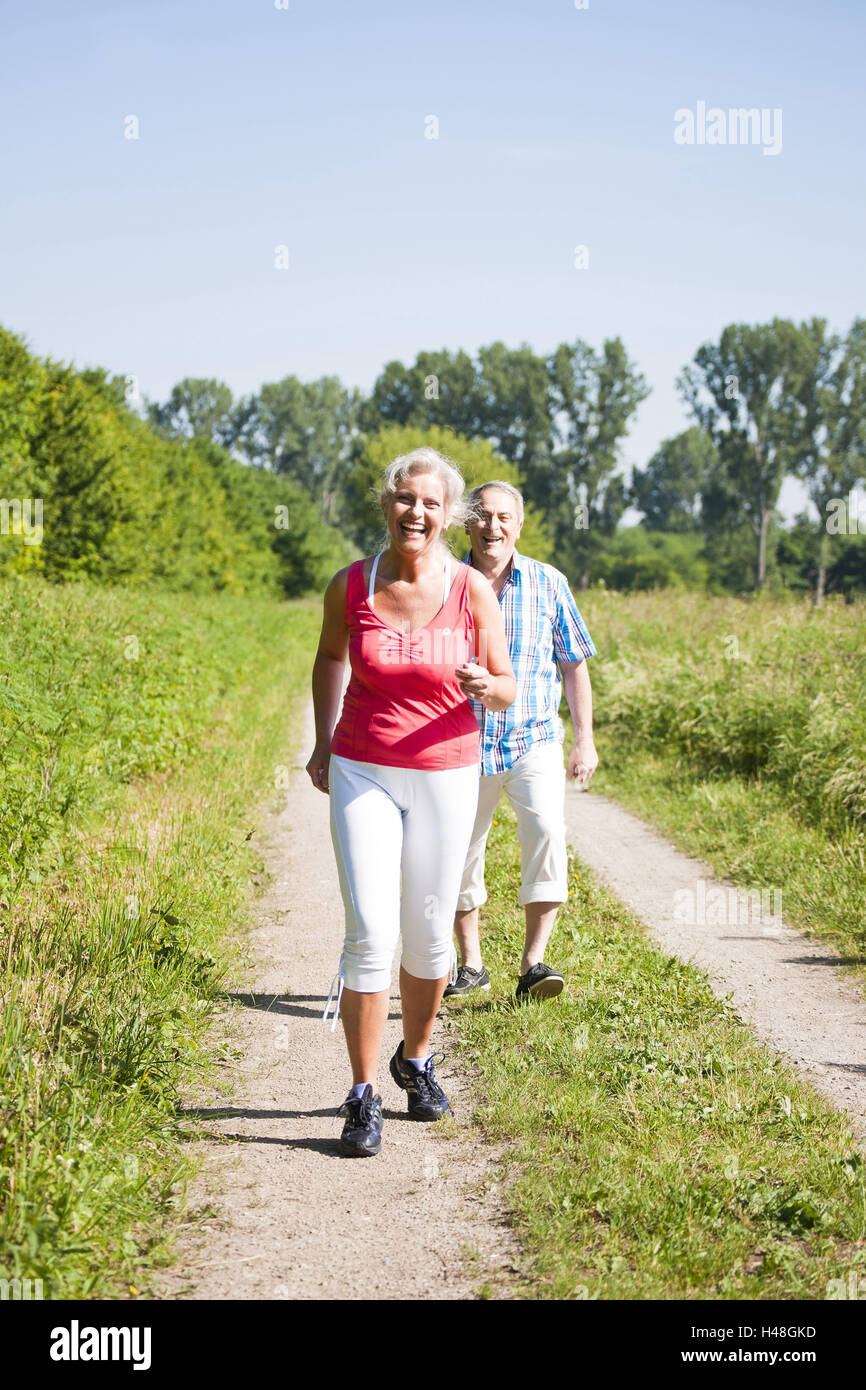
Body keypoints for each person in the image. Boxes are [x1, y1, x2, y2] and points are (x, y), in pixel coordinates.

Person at [305, 448, 515, 1157]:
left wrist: (488, 686)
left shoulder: (470, 590)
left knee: (428, 933)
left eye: (429, 503)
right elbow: (332, 656)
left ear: (448, 515)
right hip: (364, 766)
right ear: (386, 505)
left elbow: (508, 681)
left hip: (446, 770)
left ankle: (415, 1059)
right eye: (404, 499)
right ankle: (362, 1095)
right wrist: (322, 740)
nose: (415, 512)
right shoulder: (351, 585)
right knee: (369, 930)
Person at [444, 480, 598, 1004]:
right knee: (460, 851)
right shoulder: (446, 583)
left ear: (519, 524)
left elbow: (573, 665)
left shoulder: (548, 582)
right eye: (483, 516)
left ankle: (533, 965)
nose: (493, 526)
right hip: (461, 741)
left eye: (504, 516)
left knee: (547, 833)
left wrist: (585, 741)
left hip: (533, 739)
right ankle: (470, 965)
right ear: (467, 523)